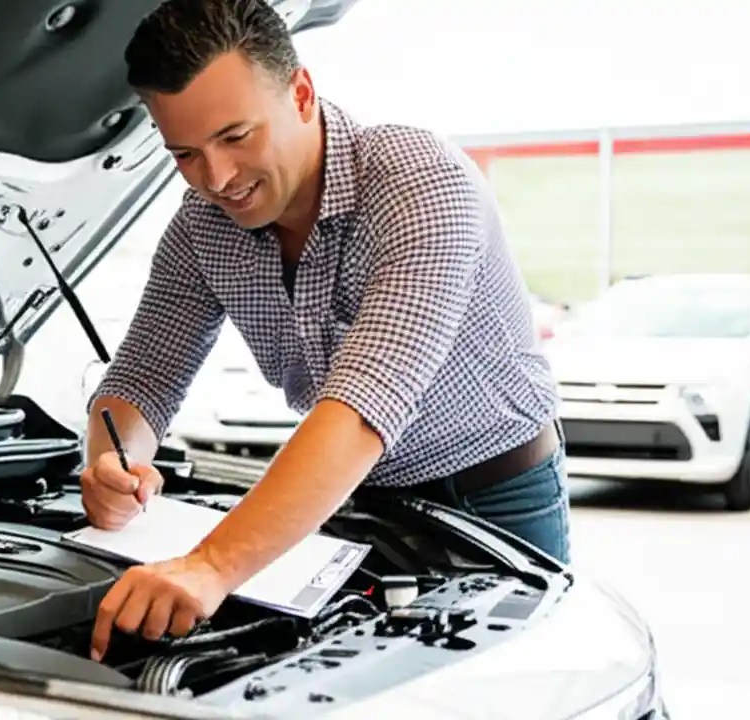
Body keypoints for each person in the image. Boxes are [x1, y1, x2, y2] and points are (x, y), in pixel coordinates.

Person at [81, 0, 572, 662]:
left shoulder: (420, 182)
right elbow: (142, 377)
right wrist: (115, 460)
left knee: (512, 689)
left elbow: (364, 407)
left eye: (236, 137)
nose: (217, 179)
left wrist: (211, 566)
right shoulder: (202, 224)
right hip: (346, 501)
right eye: (186, 154)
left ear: (302, 93)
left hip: (493, 501)